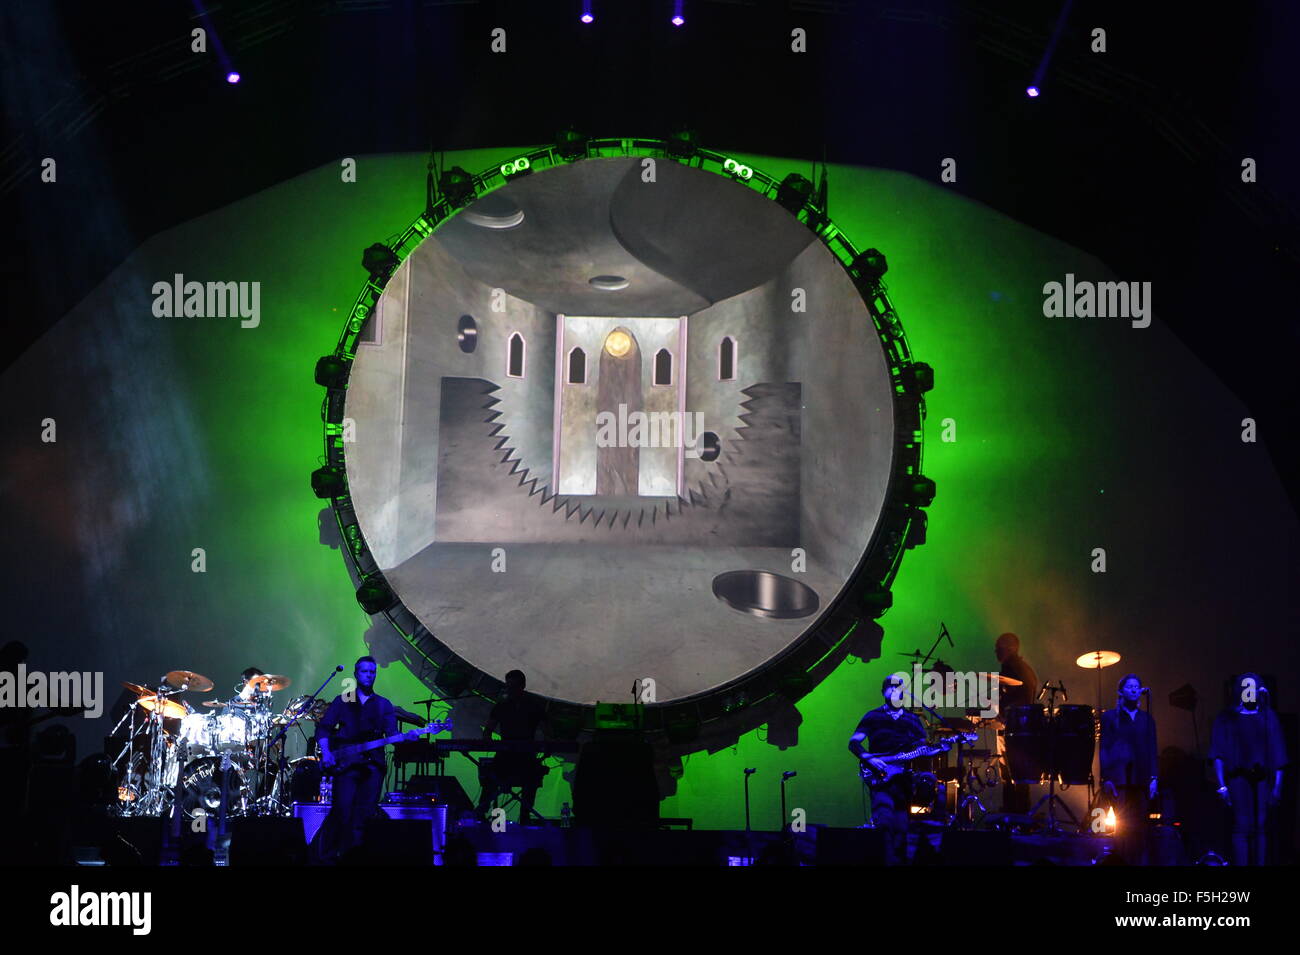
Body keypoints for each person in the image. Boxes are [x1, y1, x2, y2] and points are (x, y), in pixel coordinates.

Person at [315, 657, 396, 862]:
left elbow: (393, 735)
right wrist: (326, 753)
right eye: (365, 672)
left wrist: (411, 736)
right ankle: (329, 857)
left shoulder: (383, 705)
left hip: (373, 766)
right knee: (342, 811)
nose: (369, 675)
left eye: (372, 672)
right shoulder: (342, 701)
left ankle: (357, 858)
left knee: (365, 815)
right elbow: (324, 729)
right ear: (356, 674)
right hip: (346, 766)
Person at [849, 676, 927, 865]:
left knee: (901, 828)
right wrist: (871, 759)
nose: (894, 691)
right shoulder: (872, 716)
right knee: (884, 822)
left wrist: (938, 747)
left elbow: (923, 746)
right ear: (883, 692)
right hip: (880, 777)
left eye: (898, 688)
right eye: (890, 688)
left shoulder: (912, 719)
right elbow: (853, 743)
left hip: (902, 780)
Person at [1210, 672, 1286, 866]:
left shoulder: (1268, 717)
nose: (1249, 691)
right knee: (1242, 827)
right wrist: (1222, 786)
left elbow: (1278, 754)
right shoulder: (1227, 718)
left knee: (1260, 827)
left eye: (1253, 687)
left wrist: (1277, 786)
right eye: (1245, 687)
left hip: (1261, 779)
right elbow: (1218, 753)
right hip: (1238, 779)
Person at [1099, 673, 1158, 864]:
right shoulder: (1109, 717)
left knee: (1140, 826)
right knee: (1122, 825)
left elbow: (1152, 748)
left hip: (1141, 778)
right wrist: (1106, 777)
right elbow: (1104, 748)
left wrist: (1154, 777)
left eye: (1137, 686)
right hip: (1119, 779)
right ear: (1121, 691)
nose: (1134, 689)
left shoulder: (1147, 719)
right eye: (1130, 686)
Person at [477, 670, 547, 823]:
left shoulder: (534, 706)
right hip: (506, 754)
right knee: (491, 780)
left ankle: (524, 817)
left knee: (531, 779)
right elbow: (488, 729)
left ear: (522, 686)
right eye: (508, 686)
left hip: (525, 754)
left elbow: (546, 729)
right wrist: (488, 741)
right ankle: (482, 814)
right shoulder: (502, 705)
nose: (510, 690)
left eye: (513, 686)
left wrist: (545, 744)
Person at [994, 632, 1039, 813]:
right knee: (1018, 774)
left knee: (1011, 772)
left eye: (999, 648)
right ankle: (1018, 813)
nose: (996, 652)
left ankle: (1014, 813)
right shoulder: (1024, 668)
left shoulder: (1012, 668)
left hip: (1013, 728)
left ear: (1011, 648)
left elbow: (1021, 698)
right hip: (1019, 727)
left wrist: (1003, 713)